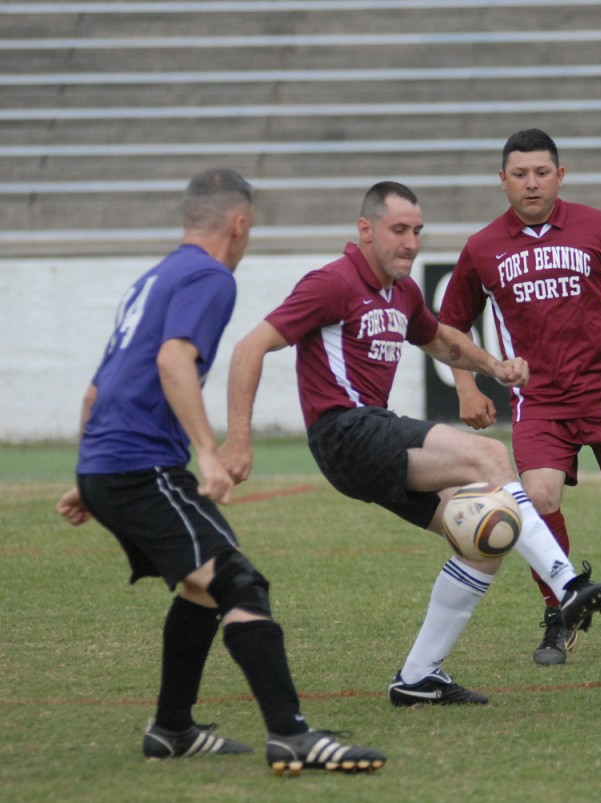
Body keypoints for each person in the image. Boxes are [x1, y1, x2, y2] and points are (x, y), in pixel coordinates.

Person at [221, 180, 601, 706]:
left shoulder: (403, 291)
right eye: (398, 230)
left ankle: (417, 677)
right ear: (365, 230)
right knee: (490, 455)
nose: (410, 242)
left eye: (417, 231)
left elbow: (443, 341)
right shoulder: (332, 283)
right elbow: (249, 348)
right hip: (346, 431)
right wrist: (238, 440)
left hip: (369, 441)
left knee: (487, 534)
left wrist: (494, 367)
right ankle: (566, 584)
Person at [55, 169, 386, 774]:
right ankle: (292, 735)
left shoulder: (154, 278)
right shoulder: (211, 277)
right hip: (140, 466)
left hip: (110, 463)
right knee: (238, 581)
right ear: (238, 224)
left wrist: (89, 472)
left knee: (203, 585)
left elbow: (98, 387)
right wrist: (208, 451)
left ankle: (172, 729)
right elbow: (172, 360)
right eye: (249, 230)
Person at [439, 129, 601, 666]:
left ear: (560, 175)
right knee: (540, 497)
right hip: (540, 403)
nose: (531, 183)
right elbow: (452, 324)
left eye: (541, 172)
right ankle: (560, 609)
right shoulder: (482, 246)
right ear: (502, 180)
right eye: (520, 174)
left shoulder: (598, 227)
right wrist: (466, 387)